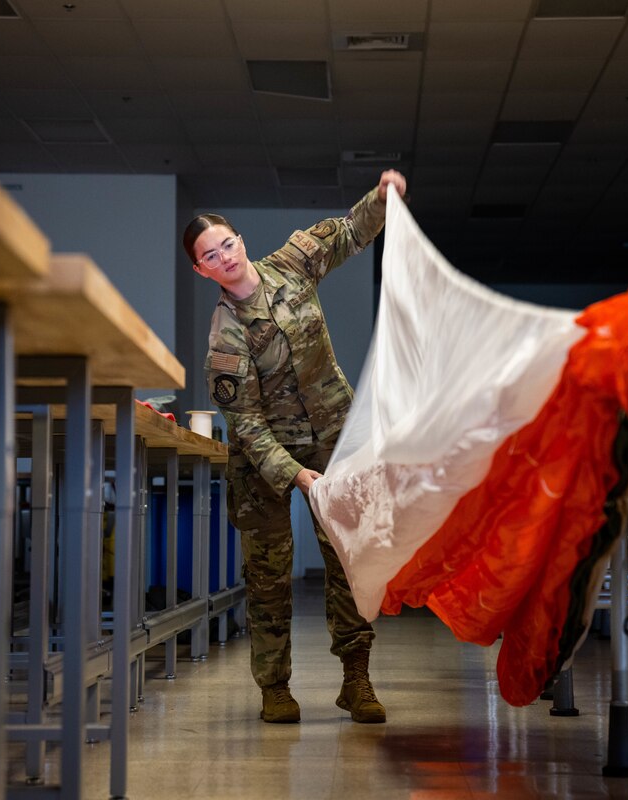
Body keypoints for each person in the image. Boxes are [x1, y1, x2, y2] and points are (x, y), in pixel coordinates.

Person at [184, 170, 407, 724]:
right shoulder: (225, 339)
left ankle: (356, 679)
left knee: (348, 560)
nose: (224, 257)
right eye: (210, 256)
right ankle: (275, 688)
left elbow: (351, 232)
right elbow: (250, 427)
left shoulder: (291, 264)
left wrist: (381, 198)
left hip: (334, 436)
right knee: (269, 574)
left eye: (227, 244)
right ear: (200, 269)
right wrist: (298, 476)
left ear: (240, 241)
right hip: (265, 463)